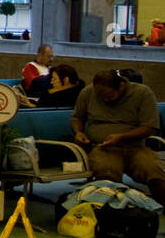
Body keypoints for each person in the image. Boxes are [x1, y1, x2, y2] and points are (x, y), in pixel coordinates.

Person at [71, 70, 165, 206]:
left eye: (109, 96)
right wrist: (78, 132)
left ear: (121, 86)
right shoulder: (88, 92)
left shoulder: (142, 93)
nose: (104, 99)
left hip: (135, 147)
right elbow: (77, 117)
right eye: (100, 96)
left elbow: (150, 127)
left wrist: (121, 137)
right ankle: (115, 209)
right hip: (103, 147)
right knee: (107, 171)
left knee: (152, 170)